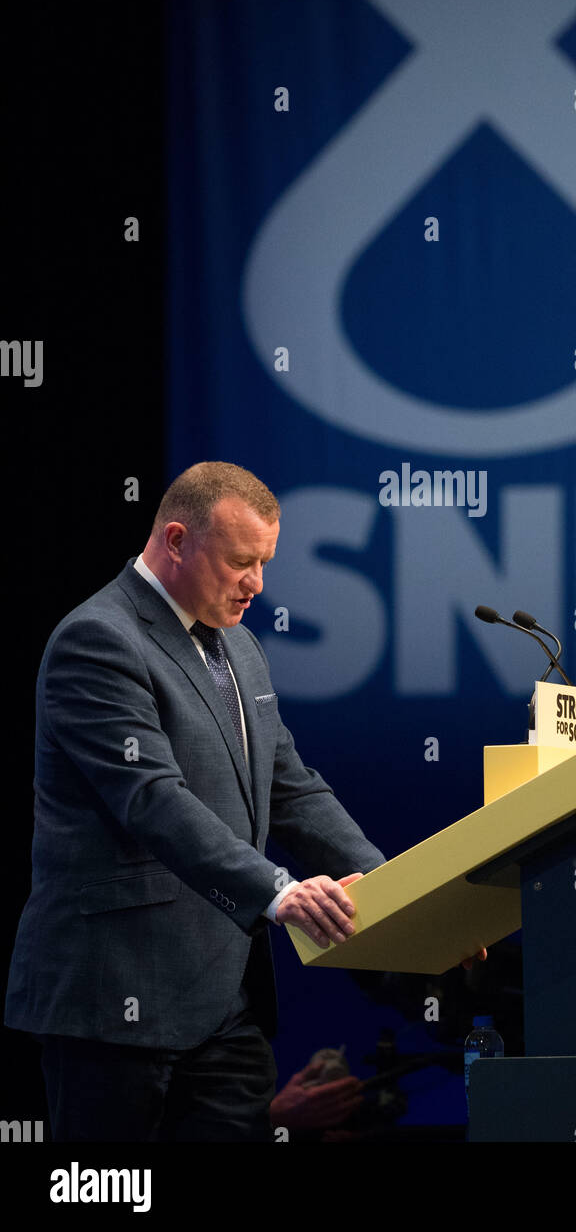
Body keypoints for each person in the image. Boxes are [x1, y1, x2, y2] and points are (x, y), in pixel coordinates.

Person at [4, 461, 390, 1142]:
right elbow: (151, 799)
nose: (258, 584)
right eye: (243, 562)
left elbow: (290, 785)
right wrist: (278, 891)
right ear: (177, 541)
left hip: (225, 1005)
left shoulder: (240, 647)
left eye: (265, 563)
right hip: (115, 1000)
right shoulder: (97, 640)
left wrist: (397, 887)